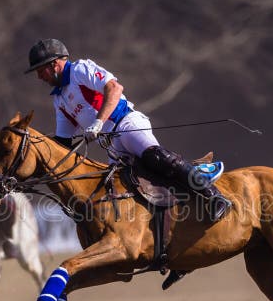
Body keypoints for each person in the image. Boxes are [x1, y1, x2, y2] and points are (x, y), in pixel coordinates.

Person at [24, 38, 232, 223]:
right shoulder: (59, 99)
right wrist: (34, 171)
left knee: (154, 157)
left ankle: (214, 196)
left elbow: (114, 88)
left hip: (126, 123)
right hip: (112, 147)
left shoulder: (80, 70)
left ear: (54, 64)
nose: (39, 77)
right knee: (115, 192)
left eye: (40, 70)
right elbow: (62, 144)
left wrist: (98, 122)